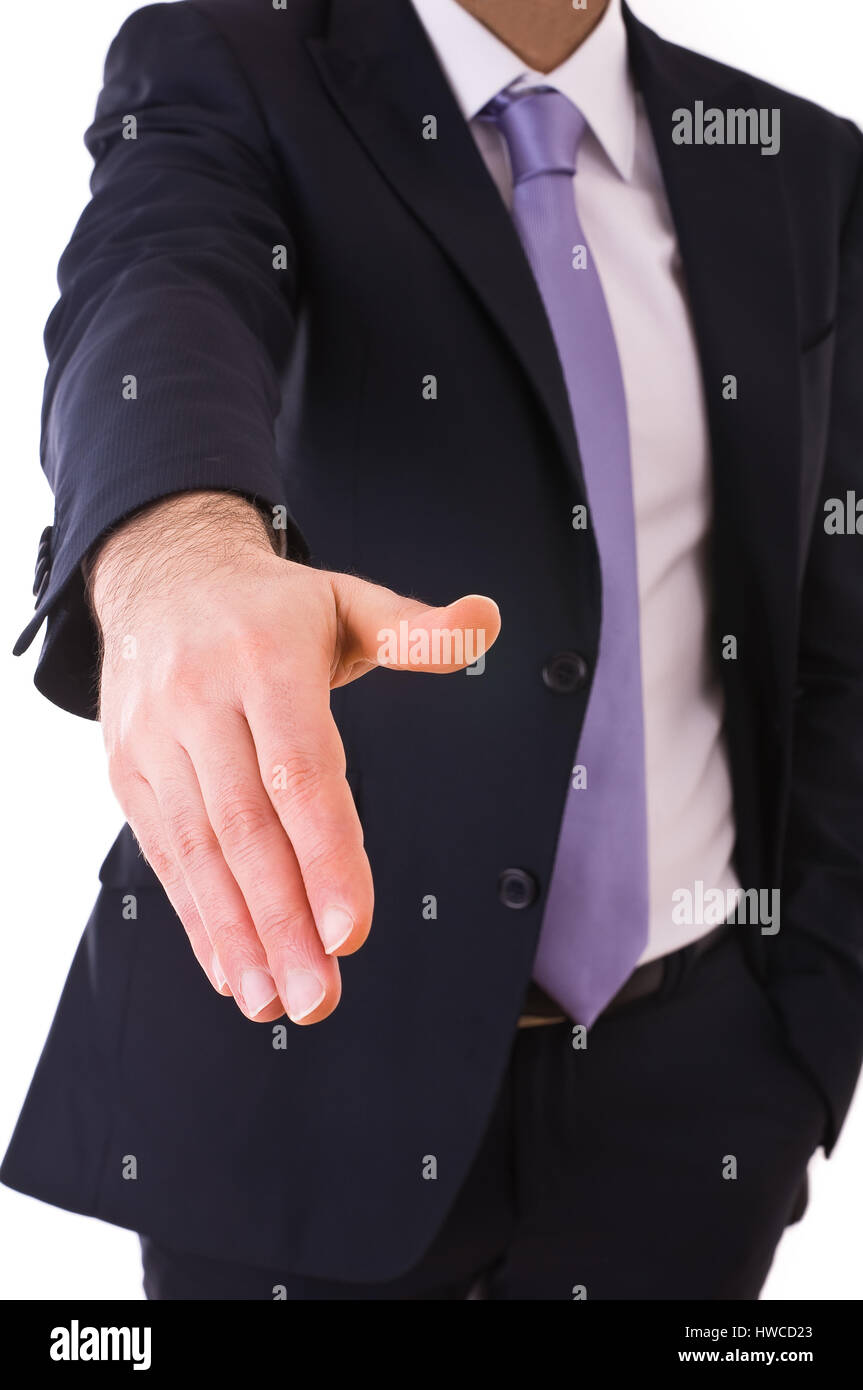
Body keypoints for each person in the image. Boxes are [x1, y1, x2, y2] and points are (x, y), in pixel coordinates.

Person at [3, 0, 862, 1300]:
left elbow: (835, 635)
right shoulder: (235, 64)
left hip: (693, 1097)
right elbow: (157, 281)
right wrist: (177, 548)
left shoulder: (800, 160)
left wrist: (805, 1032)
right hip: (295, 1070)